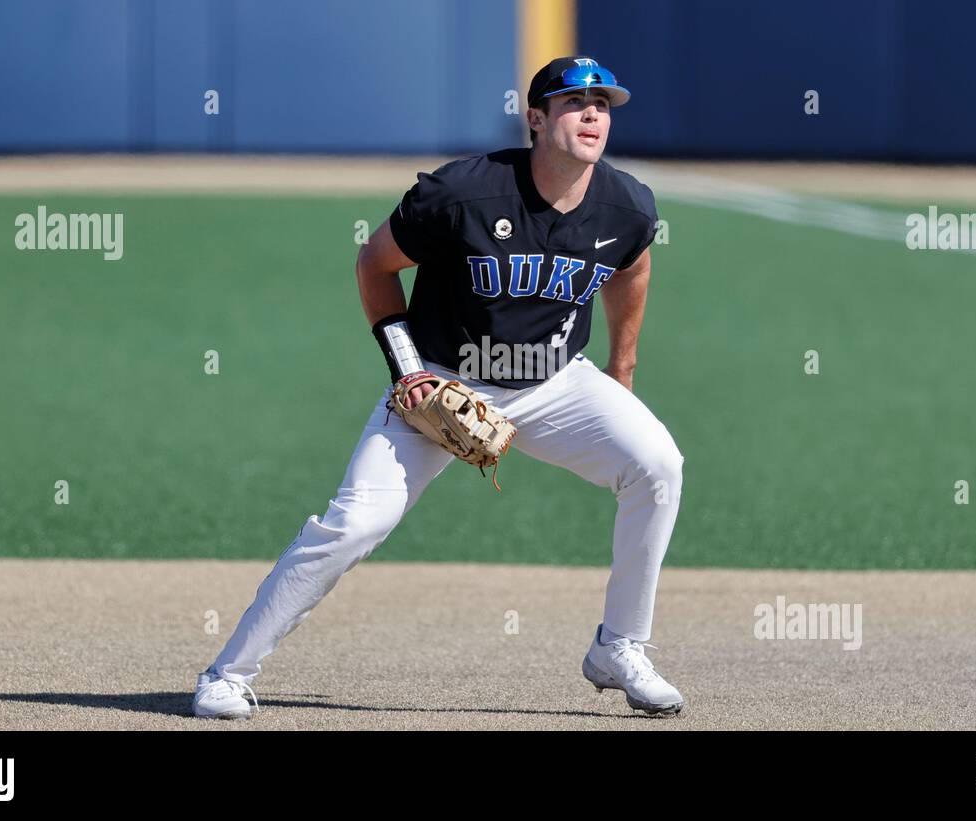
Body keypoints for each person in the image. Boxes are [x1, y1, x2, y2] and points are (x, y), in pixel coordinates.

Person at [193, 56, 685, 719]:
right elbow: (374, 264)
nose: (593, 112)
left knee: (658, 464)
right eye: (574, 102)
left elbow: (632, 265)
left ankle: (620, 647)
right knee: (354, 523)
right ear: (535, 119)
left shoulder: (626, 203)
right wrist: (409, 372)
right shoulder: (465, 192)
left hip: (554, 382)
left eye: (603, 103)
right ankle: (227, 672)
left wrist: (622, 373)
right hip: (441, 381)